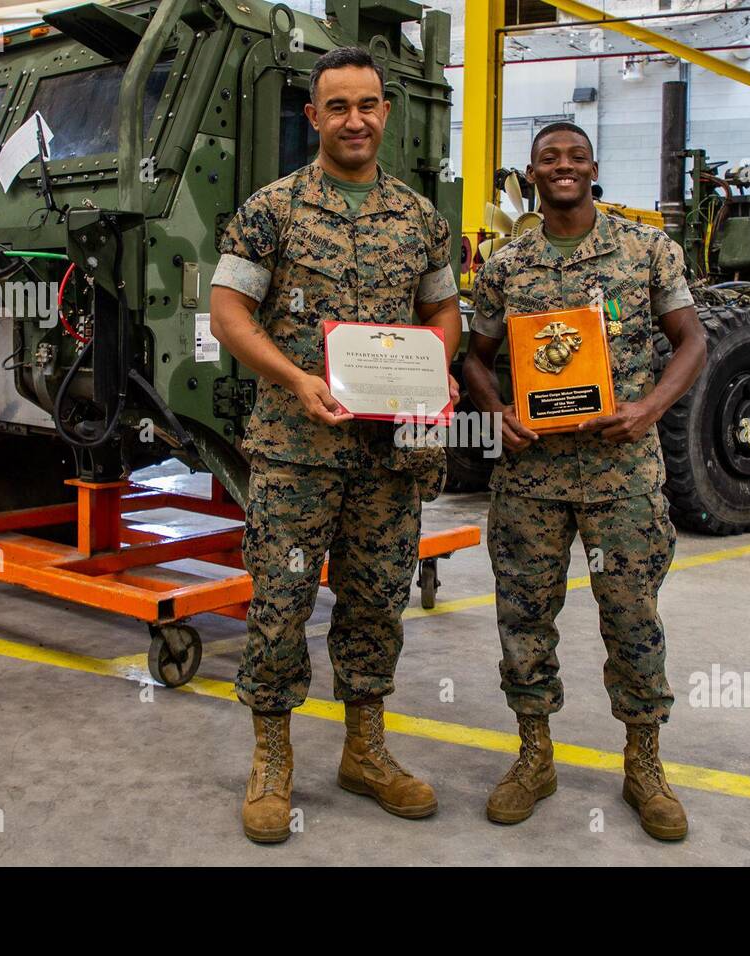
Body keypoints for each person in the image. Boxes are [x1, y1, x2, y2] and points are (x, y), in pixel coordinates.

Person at [209, 46, 460, 844]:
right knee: (280, 606)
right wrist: (295, 379)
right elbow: (227, 315)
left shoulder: (420, 218)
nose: (355, 119)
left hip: (389, 456)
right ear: (313, 117)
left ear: (387, 113)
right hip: (295, 453)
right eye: (338, 106)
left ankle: (365, 751)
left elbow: (443, 313)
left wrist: (436, 370)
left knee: (377, 603)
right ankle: (273, 762)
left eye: (369, 104)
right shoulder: (271, 210)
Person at [463, 122, 707, 841]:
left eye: (574, 156)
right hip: (531, 477)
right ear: (530, 175)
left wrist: (649, 408)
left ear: (592, 167)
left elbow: (692, 339)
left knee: (633, 620)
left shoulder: (645, 248)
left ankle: (644, 764)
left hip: (621, 473)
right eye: (548, 159)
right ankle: (534, 756)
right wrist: (495, 409)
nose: (562, 167)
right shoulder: (507, 266)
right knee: (523, 620)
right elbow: (474, 355)